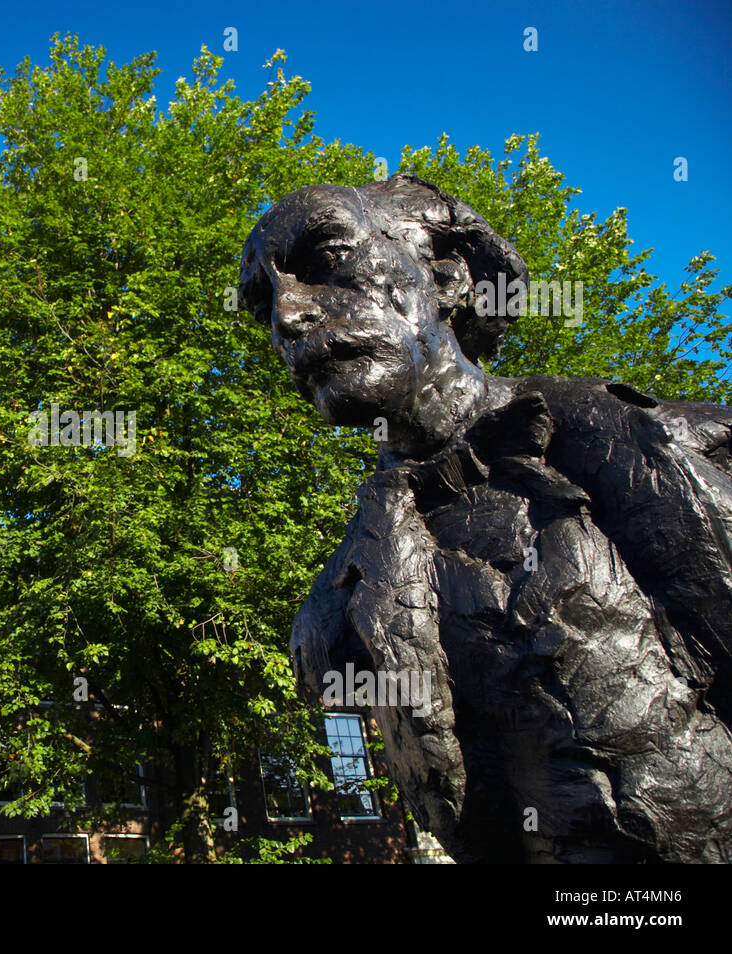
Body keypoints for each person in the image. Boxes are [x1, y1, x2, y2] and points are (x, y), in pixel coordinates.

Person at [239, 175, 732, 862]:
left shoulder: (663, 449)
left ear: (447, 277)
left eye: (328, 261)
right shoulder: (341, 594)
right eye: (263, 305)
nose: (288, 316)